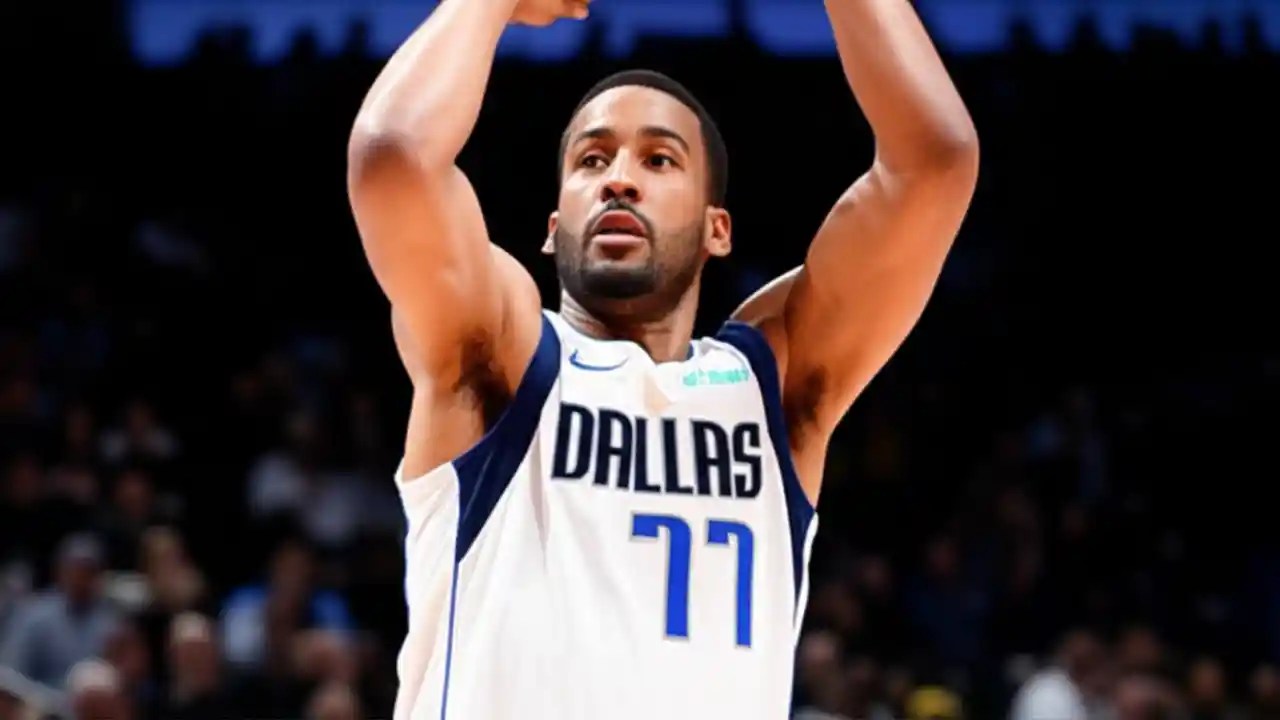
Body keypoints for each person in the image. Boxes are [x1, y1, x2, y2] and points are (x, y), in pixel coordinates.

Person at [346, 0, 978, 716]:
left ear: (718, 229)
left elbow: (936, 162)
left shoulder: (772, 383)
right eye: (592, 159)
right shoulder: (501, 357)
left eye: (659, 159)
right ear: (554, 228)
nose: (619, 178)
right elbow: (393, 156)